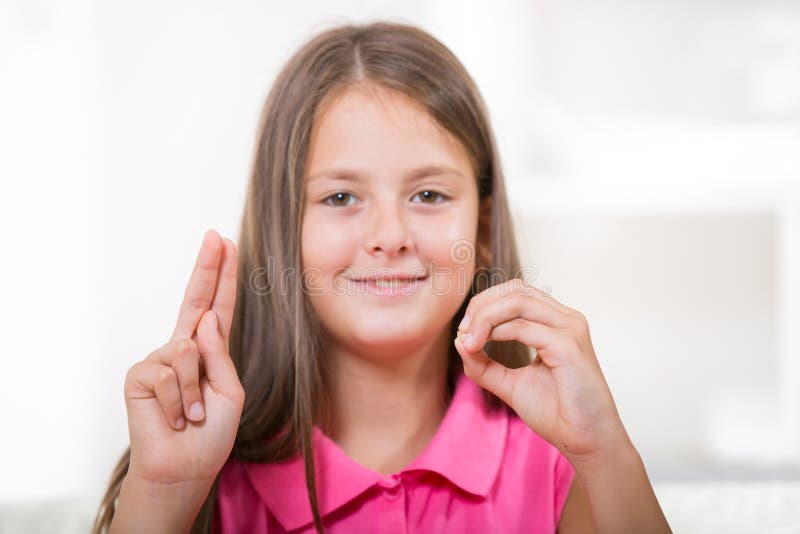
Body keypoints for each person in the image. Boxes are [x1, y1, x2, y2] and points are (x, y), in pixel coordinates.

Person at [94, 21, 671, 534]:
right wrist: (163, 498)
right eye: (341, 196)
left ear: (485, 225)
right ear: (283, 228)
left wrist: (606, 453)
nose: (389, 234)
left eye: (428, 194)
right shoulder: (200, 473)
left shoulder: (558, 468)